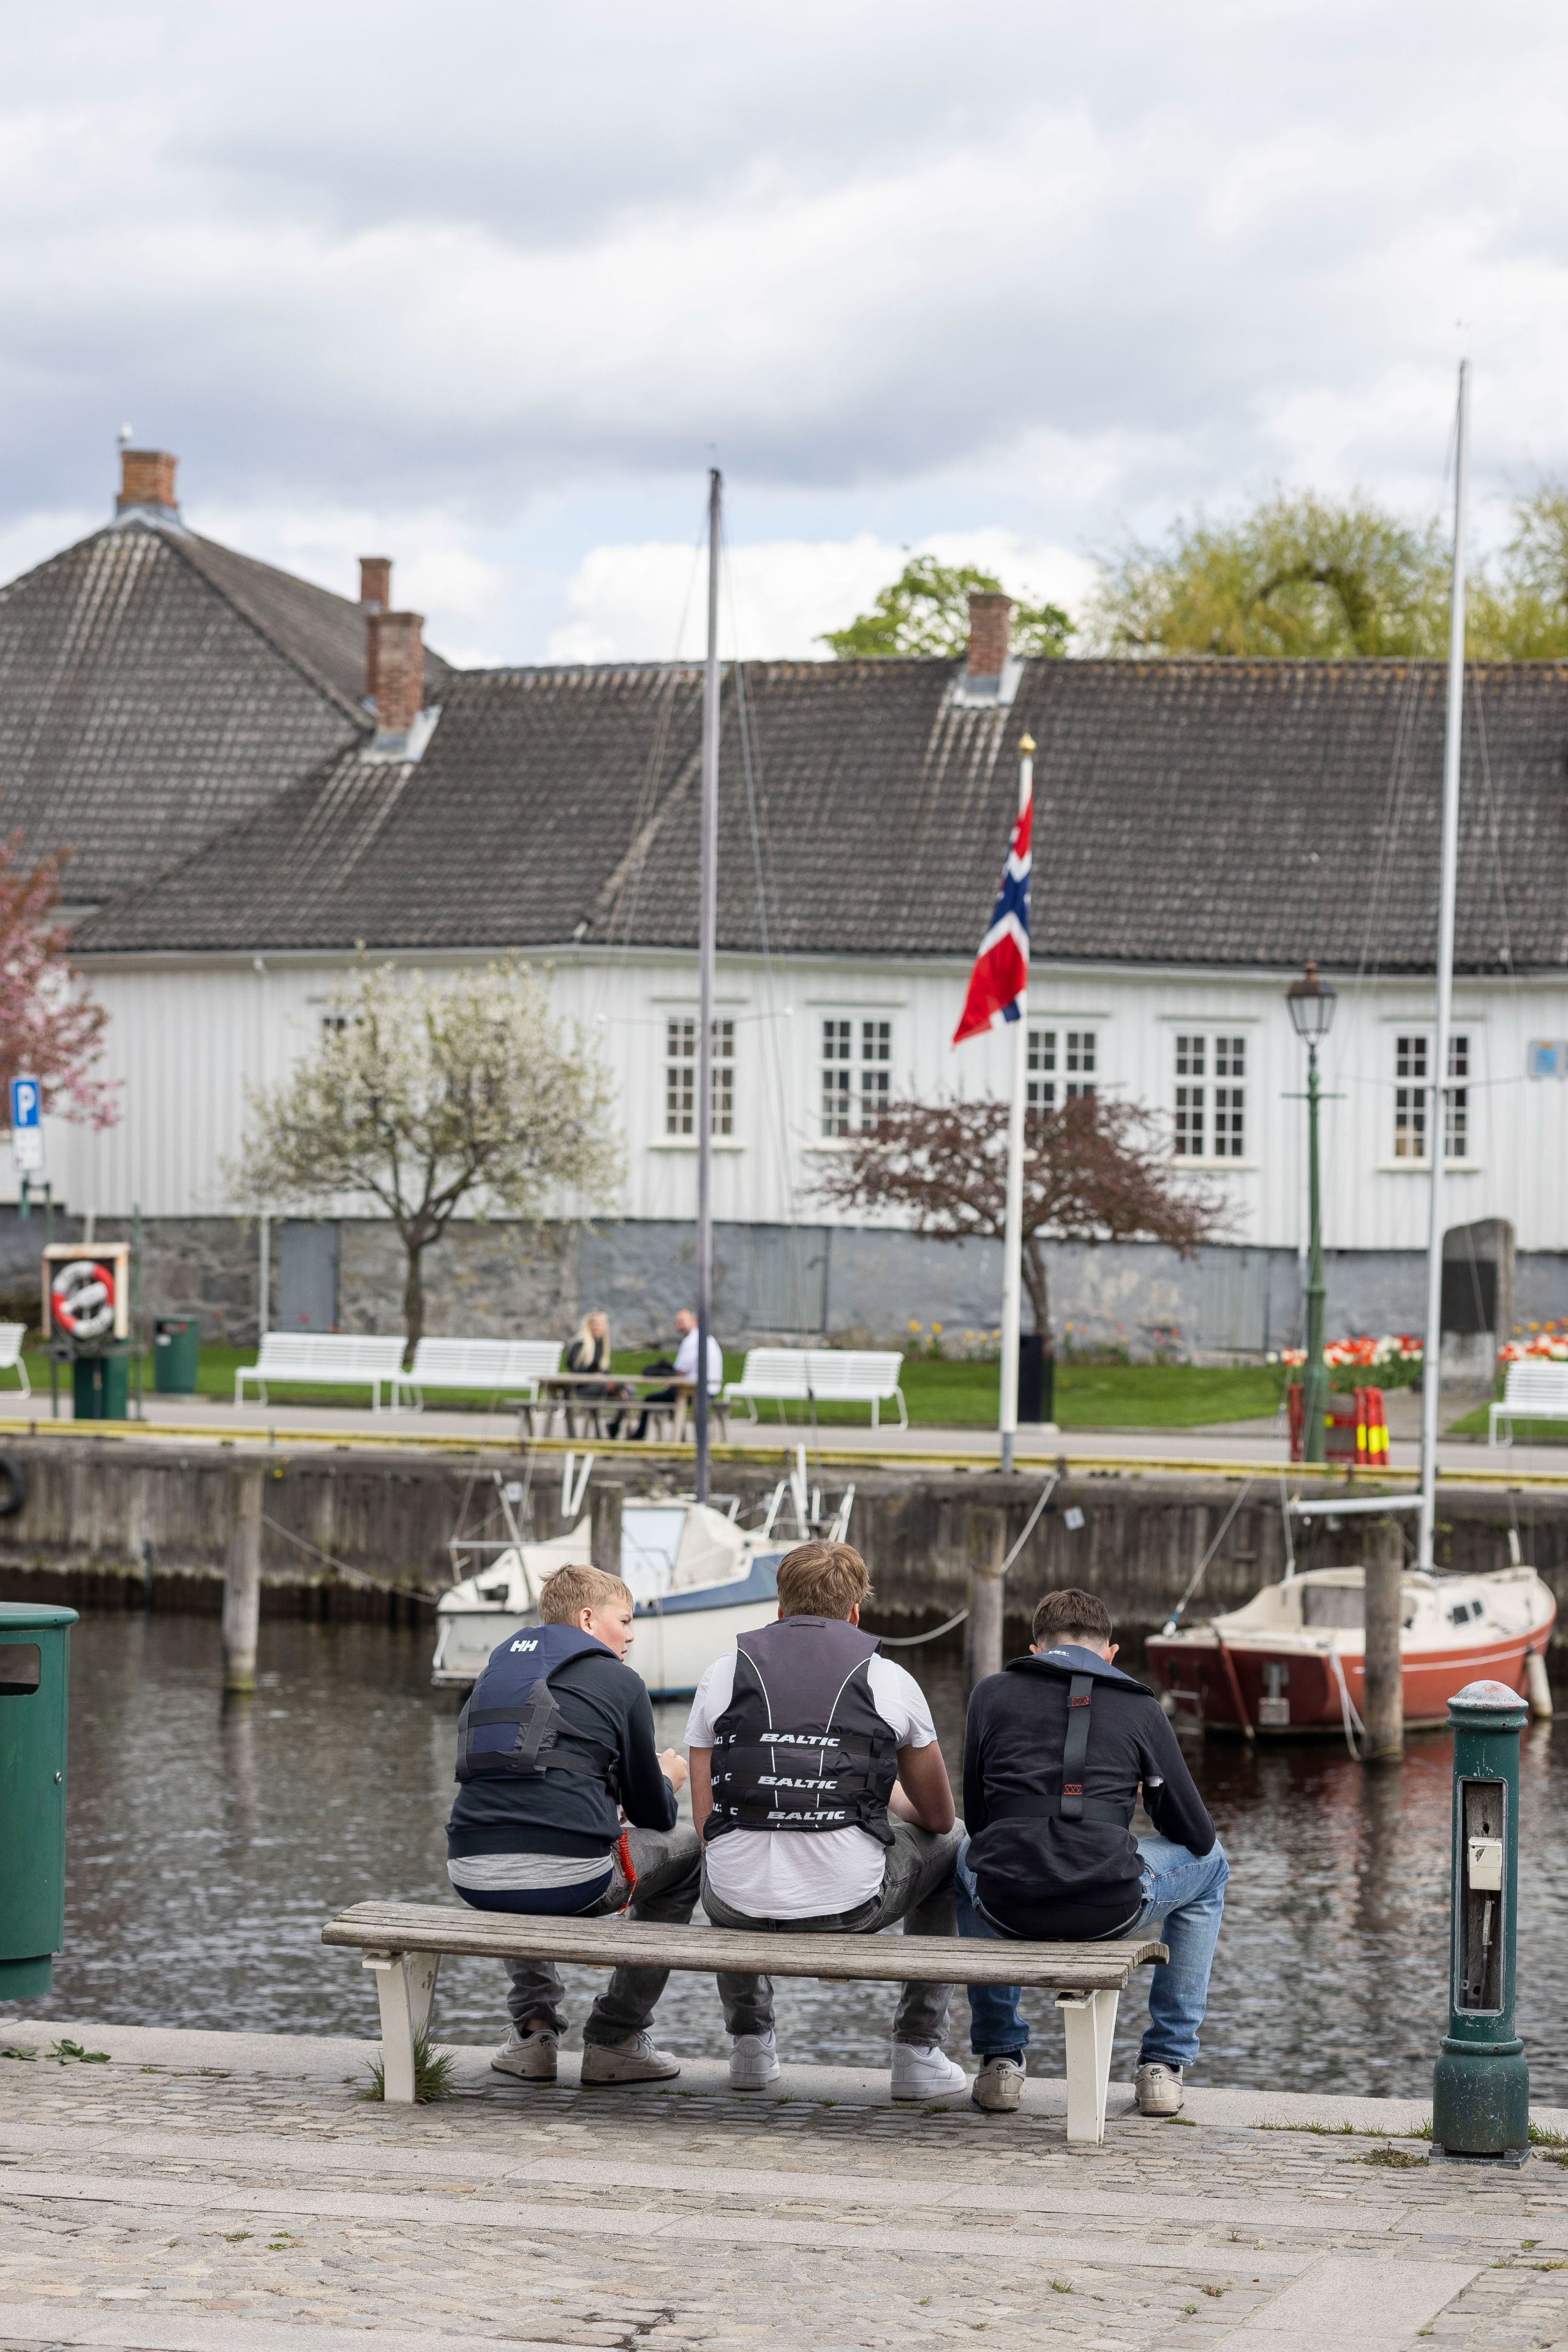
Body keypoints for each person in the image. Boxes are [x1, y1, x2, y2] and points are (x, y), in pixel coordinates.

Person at [445, 1561, 763, 2085]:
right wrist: (669, 1777)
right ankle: (617, 2036)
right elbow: (654, 1815)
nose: (632, 1634)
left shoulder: (495, 1672)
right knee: (685, 1851)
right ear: (589, 1620)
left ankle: (533, 2031)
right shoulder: (620, 1681)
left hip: (471, 1873)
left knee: (521, 1847)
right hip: (574, 1881)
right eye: (626, 1619)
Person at [686, 1538, 967, 2103]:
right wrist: (874, 1792)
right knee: (955, 1843)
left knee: (727, 1849)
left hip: (734, 1907)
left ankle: (750, 2046)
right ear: (857, 1612)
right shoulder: (891, 1680)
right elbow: (938, 1816)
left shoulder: (722, 1673)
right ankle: (917, 2050)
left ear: (781, 1609)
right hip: (850, 1908)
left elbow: (704, 1820)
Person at [956, 1585, 1227, 2119]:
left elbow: (982, 1818)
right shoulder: (1138, 1705)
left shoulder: (989, 1694)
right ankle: (1163, 2065)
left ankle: (1000, 2061)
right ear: (1111, 1654)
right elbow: (1195, 1833)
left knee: (966, 1851)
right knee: (1212, 1868)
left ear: (1035, 1650)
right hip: (1108, 1908)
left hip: (1005, 1905)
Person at [633, 1308, 722, 1438]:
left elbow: (679, 1371)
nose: (678, 1326)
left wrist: (669, 1384)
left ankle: (641, 1436)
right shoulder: (708, 1338)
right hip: (711, 1389)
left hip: (697, 1391)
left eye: (682, 1322)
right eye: (677, 1322)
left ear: (694, 1322)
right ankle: (680, 1436)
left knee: (651, 1399)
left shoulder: (692, 1340)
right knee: (672, 1396)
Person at [564, 1309, 632, 1435]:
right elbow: (574, 1370)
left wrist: (604, 1378)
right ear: (588, 1325)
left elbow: (606, 1372)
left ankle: (614, 1426)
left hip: (602, 1386)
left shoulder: (602, 1345)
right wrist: (593, 1376)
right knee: (622, 1389)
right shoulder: (580, 1344)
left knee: (629, 1392)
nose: (598, 1327)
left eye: (601, 1324)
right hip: (584, 1387)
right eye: (594, 1323)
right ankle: (601, 1434)